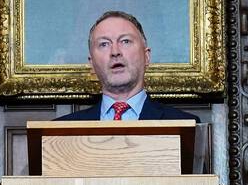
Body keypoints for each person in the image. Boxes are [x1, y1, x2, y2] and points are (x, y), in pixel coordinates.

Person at [56, 11, 198, 123]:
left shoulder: (183, 124)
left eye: (125, 41)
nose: (115, 51)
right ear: (91, 64)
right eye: (104, 44)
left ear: (146, 56)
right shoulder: (59, 131)